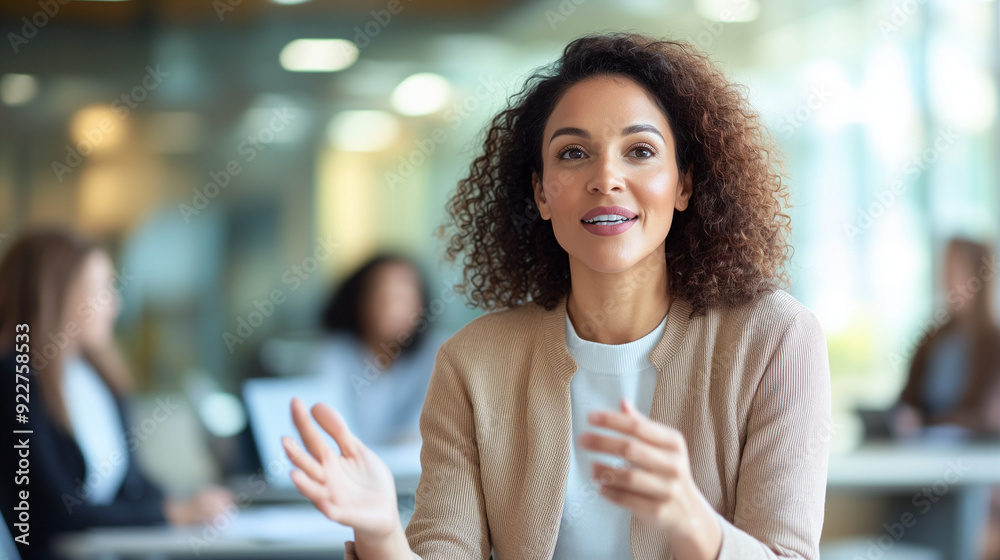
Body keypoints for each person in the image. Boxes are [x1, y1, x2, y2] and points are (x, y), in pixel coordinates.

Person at [282, 32, 831, 560]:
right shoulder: (472, 363)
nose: (606, 177)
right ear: (542, 193)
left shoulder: (774, 340)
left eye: (640, 150)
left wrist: (695, 525)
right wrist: (381, 534)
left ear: (683, 184)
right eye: (573, 154)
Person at [0, 227, 235, 560]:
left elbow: (132, 486)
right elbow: (54, 512)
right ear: (55, 294)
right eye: (101, 290)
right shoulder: (14, 377)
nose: (115, 304)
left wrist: (191, 503)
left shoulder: (98, 377)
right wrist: (170, 513)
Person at [312, 253, 447, 448]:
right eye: (383, 295)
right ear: (359, 300)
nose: (392, 306)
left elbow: (432, 429)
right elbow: (326, 422)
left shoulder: (440, 353)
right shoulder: (334, 354)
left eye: (403, 296)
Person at [892, 238, 1000, 438]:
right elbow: (907, 400)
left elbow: (987, 415)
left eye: (957, 270)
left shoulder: (994, 342)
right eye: (946, 271)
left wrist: (928, 423)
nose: (949, 281)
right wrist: (906, 417)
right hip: (924, 446)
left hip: (974, 453)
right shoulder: (932, 335)